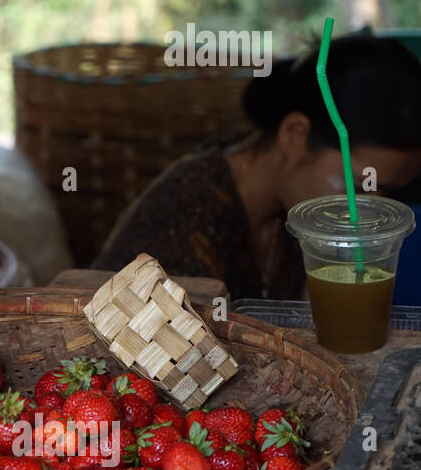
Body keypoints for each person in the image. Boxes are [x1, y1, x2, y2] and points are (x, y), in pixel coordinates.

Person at [92, 34, 421, 300]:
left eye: (387, 190)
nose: (368, 209)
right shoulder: (188, 213)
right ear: (295, 135)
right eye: (360, 185)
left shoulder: (290, 210)